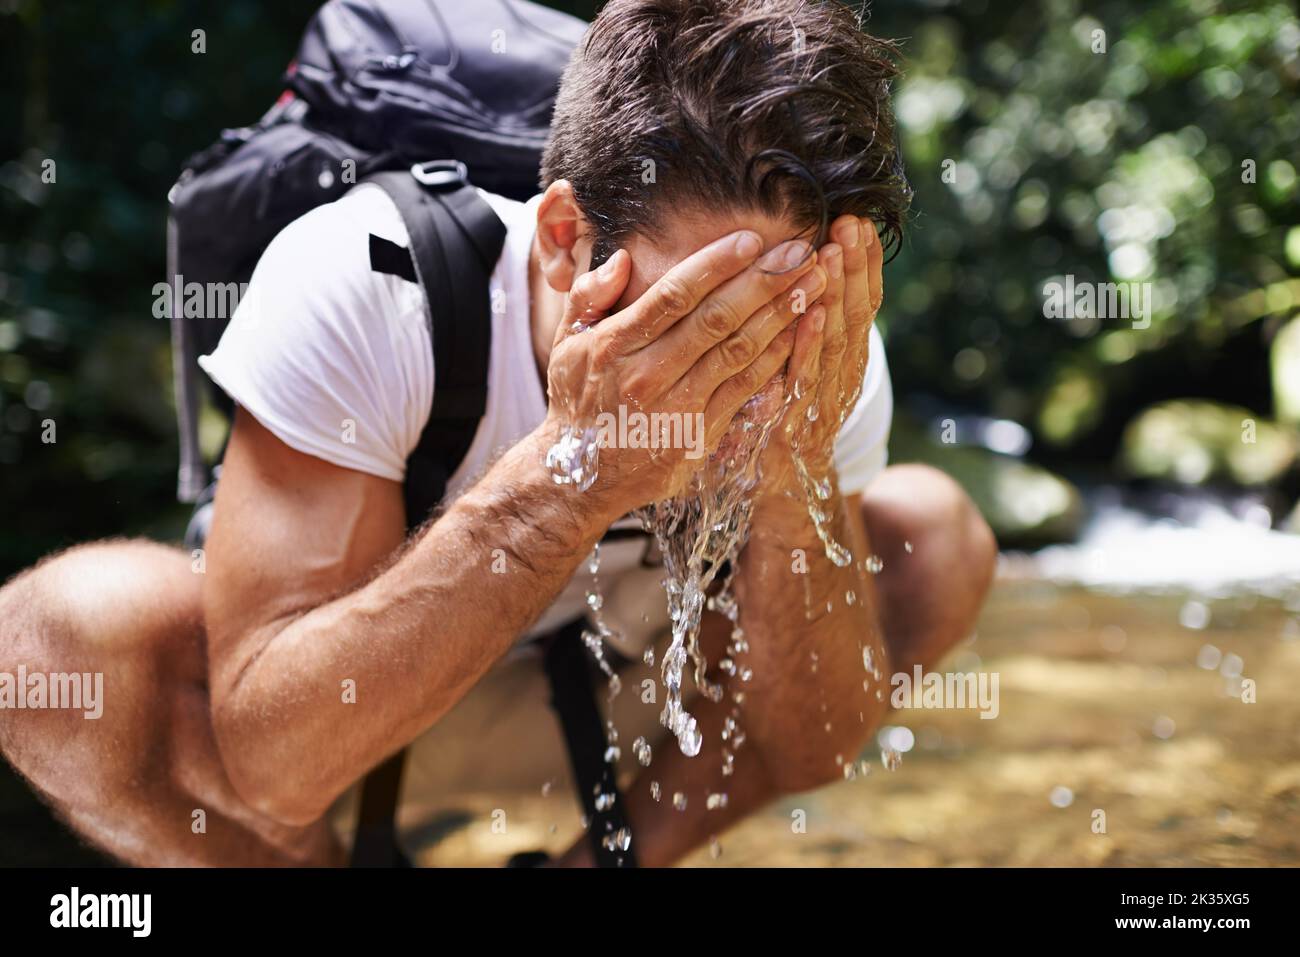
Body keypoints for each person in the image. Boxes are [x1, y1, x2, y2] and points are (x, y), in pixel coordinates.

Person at [0, 0, 995, 866]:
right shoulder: (368, 279)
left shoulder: (817, 338)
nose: (732, 363)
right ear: (565, 239)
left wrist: (792, 465)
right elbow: (272, 773)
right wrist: (575, 472)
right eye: (689, 315)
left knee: (934, 539)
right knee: (46, 647)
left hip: (615, 698)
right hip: (365, 702)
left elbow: (809, 742)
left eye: (764, 319)